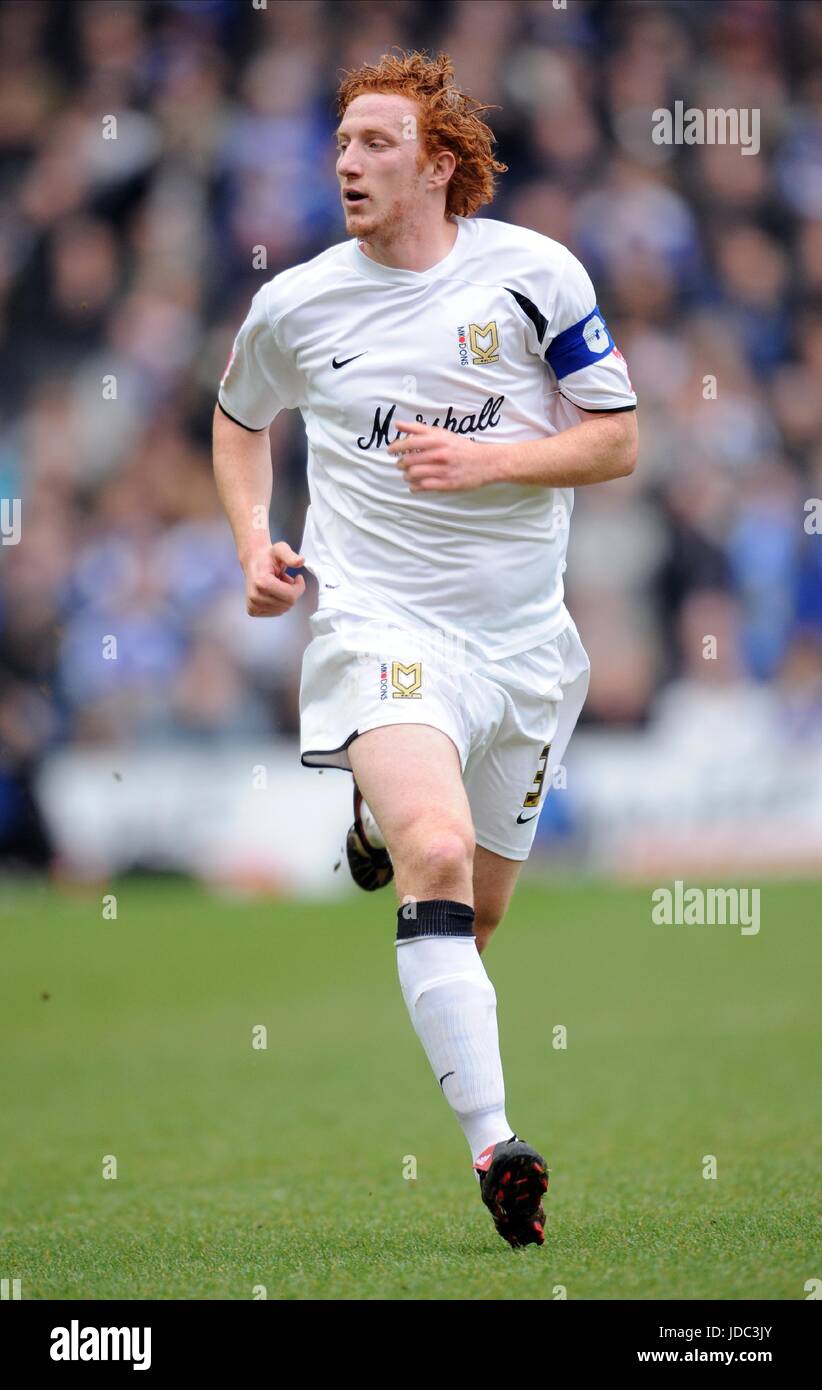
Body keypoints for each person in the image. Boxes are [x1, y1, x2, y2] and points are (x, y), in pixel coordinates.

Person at [213, 50, 638, 1249]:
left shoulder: (535, 273)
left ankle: (369, 819)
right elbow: (239, 423)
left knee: (476, 917)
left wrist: (491, 458)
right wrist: (255, 540)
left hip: (523, 652)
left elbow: (615, 441)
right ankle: (498, 1146)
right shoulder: (295, 305)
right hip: (379, 627)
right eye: (342, 143)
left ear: (440, 164)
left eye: (378, 143)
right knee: (437, 850)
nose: (349, 162)